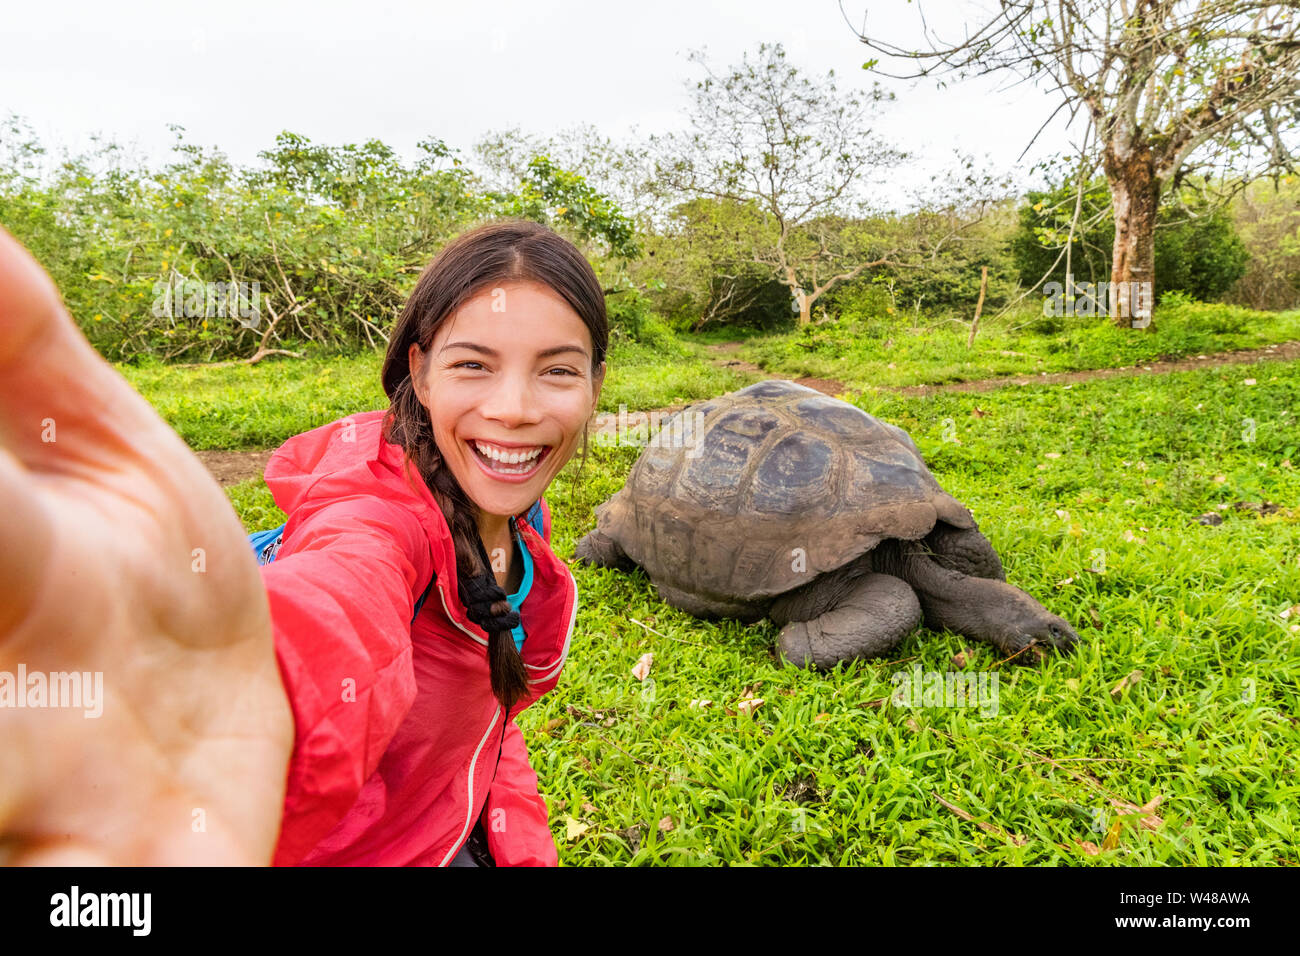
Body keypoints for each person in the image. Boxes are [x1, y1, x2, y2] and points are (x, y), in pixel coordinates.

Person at [0, 218, 606, 866]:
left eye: (557, 372)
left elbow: (489, 717)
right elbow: (342, 593)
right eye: (473, 365)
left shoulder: (519, 513)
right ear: (421, 374)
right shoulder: (379, 518)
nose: (513, 408)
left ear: (596, 386)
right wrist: (252, 690)